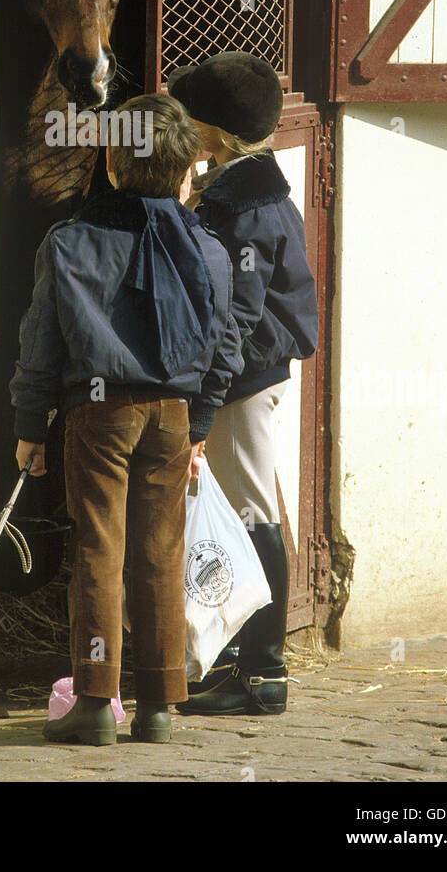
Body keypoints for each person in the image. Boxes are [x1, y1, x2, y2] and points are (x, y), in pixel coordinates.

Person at [10, 93, 243, 746]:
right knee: (158, 554)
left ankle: (92, 703)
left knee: (97, 552)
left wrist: (31, 425)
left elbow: (40, 343)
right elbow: (223, 348)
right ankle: (161, 707)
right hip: (171, 416)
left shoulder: (68, 240)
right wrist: (198, 424)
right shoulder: (210, 252)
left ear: (111, 164)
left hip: (98, 411)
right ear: (184, 170)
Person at [167, 52, 318, 718]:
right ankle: (239, 659)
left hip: (243, 379)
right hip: (250, 374)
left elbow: (235, 315)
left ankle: (262, 673)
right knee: (246, 510)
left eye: (189, 119)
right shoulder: (243, 189)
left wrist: (202, 397)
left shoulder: (242, 207)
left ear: (220, 134)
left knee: (253, 513)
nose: (180, 128)